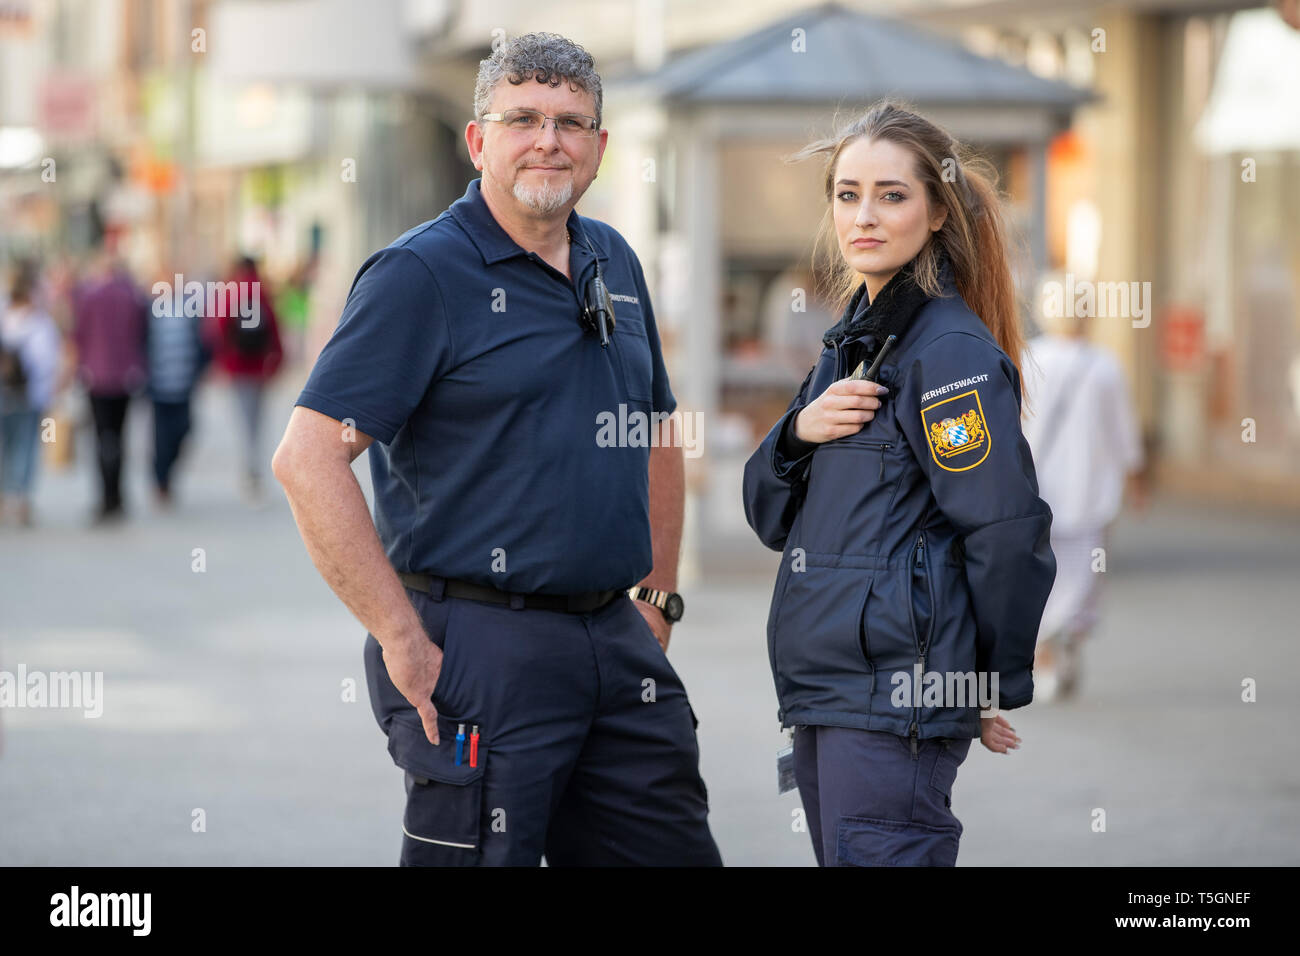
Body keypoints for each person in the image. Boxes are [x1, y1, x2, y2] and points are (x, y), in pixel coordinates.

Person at [272, 32, 721, 867]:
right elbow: (306, 458)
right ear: (478, 140)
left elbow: (657, 425)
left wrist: (659, 594)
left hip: (617, 647)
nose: (549, 139)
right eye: (523, 118)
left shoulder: (612, 256)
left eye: (571, 122)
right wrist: (401, 639)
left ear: (599, 147)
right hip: (480, 649)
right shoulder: (420, 275)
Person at [742, 101, 1056, 867]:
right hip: (830, 694)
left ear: (938, 209)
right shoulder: (852, 345)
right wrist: (796, 434)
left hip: (896, 702)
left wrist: (986, 680)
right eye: (848, 195)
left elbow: (1006, 532)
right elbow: (769, 515)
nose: (864, 217)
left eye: (892, 194)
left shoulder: (945, 352)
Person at [1020, 282, 1144, 700]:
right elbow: (1123, 432)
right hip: (1092, 493)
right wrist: (1135, 480)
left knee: (1040, 576)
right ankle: (1067, 632)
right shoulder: (1105, 365)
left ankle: (1044, 648)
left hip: (1038, 491)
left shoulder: (1028, 357)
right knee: (1084, 574)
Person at [70, 249, 147, 523]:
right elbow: (142, 334)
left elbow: (78, 335)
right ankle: (117, 496)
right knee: (119, 436)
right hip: (126, 376)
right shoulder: (133, 297)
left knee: (102, 438)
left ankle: (106, 496)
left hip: (96, 376)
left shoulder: (89, 296)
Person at [209, 255, 282, 500]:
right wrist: (277, 362)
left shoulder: (232, 292)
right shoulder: (263, 292)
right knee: (258, 419)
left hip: (238, 367)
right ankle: (255, 468)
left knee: (244, 420)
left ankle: (249, 469)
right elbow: (274, 327)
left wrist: (221, 362)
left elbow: (219, 329)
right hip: (260, 367)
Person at [0, 262, 63, 527]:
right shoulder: (39, 322)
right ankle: (22, 499)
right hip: (29, 396)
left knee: (4, 447)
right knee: (25, 446)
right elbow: (47, 362)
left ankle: (3, 500)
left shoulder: (3, 315)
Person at [145, 260, 211, 508]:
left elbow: (202, 341)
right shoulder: (150, 309)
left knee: (185, 430)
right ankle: (161, 479)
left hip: (184, 384)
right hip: (159, 386)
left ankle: (168, 470)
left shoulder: (188, 308)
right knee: (161, 438)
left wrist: (202, 368)